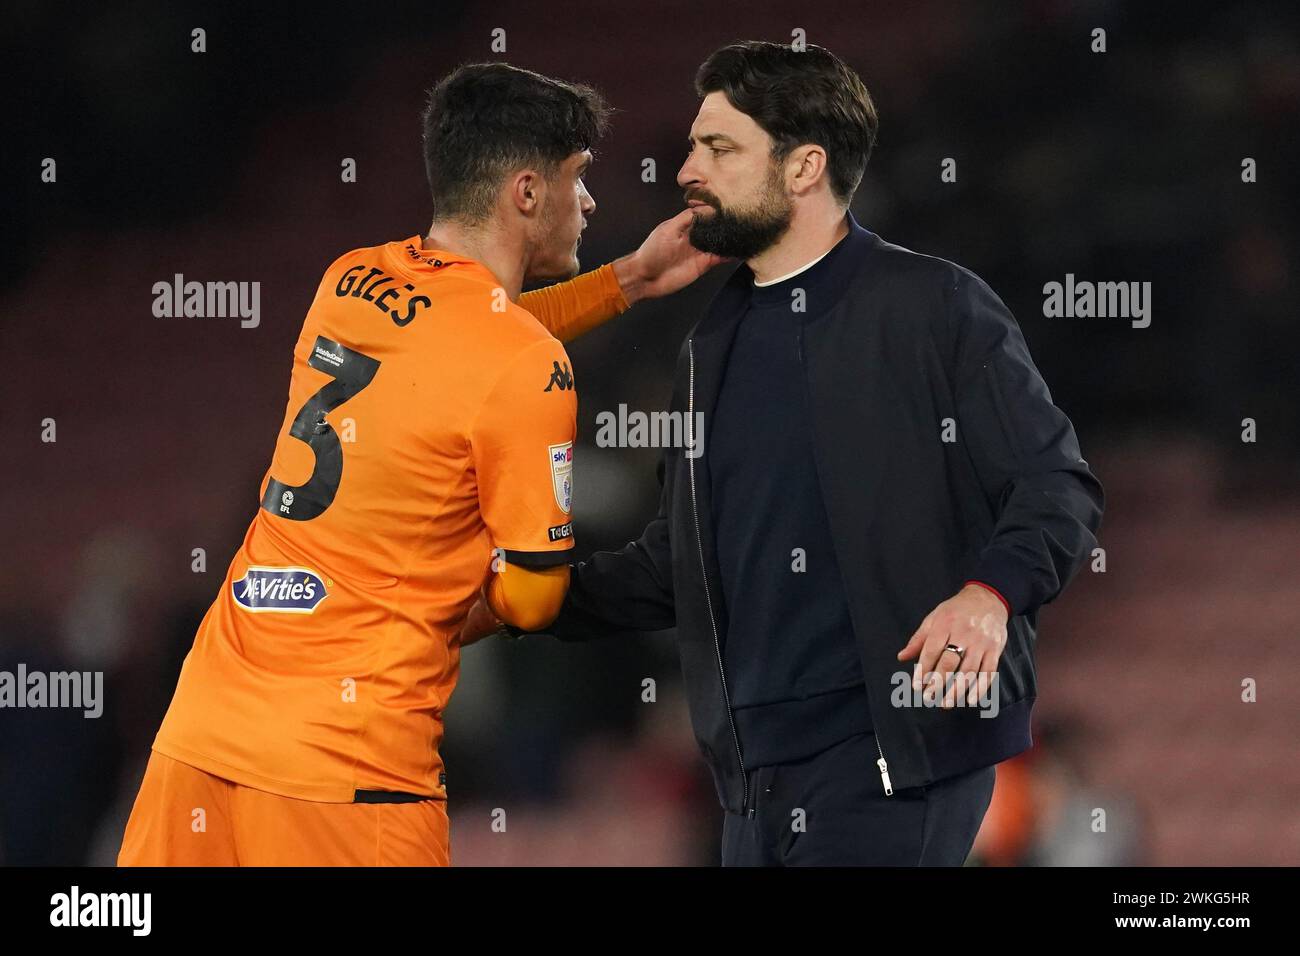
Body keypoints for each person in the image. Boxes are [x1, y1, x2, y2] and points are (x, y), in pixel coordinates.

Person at [470, 41, 1105, 866]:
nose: (688, 170)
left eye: (719, 148)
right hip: (748, 779)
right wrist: (514, 599)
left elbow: (1056, 487)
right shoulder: (710, 344)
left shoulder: (936, 306)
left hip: (890, 764)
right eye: (696, 146)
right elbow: (677, 563)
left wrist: (988, 595)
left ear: (805, 167)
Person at [117, 62, 722, 867]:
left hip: (204, 734)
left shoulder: (350, 279)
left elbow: (470, 337)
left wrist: (630, 279)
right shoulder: (527, 368)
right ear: (527, 192)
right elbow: (536, 597)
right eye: (579, 179)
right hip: (348, 768)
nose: (591, 203)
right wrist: (446, 603)